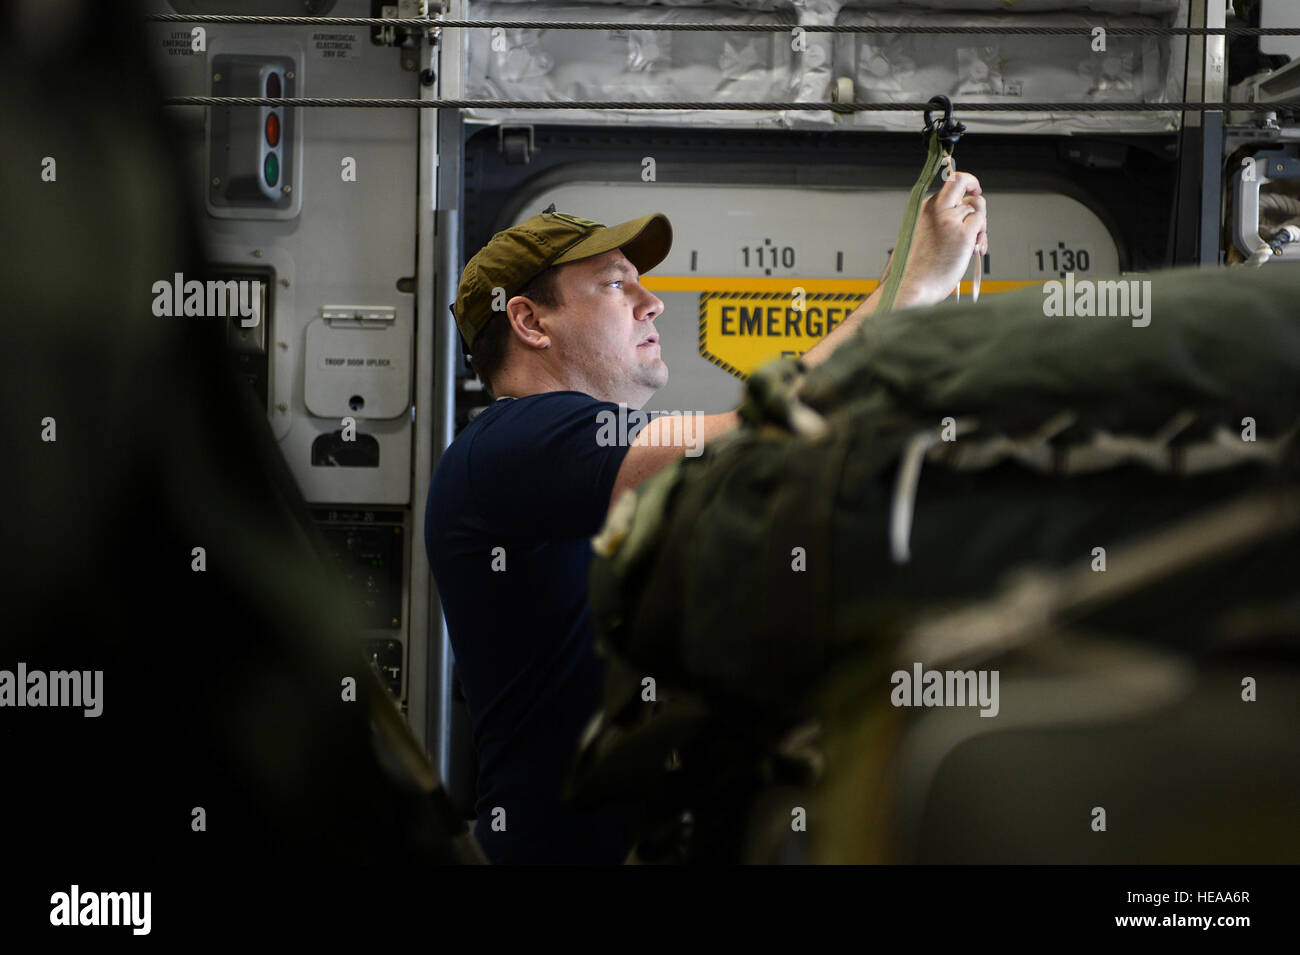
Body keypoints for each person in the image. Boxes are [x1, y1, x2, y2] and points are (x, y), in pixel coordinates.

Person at [425, 183, 988, 864]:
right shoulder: (512, 442)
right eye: (614, 284)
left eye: (642, 284)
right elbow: (758, 438)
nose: (651, 301)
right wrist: (914, 284)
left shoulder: (574, 469)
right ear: (530, 321)